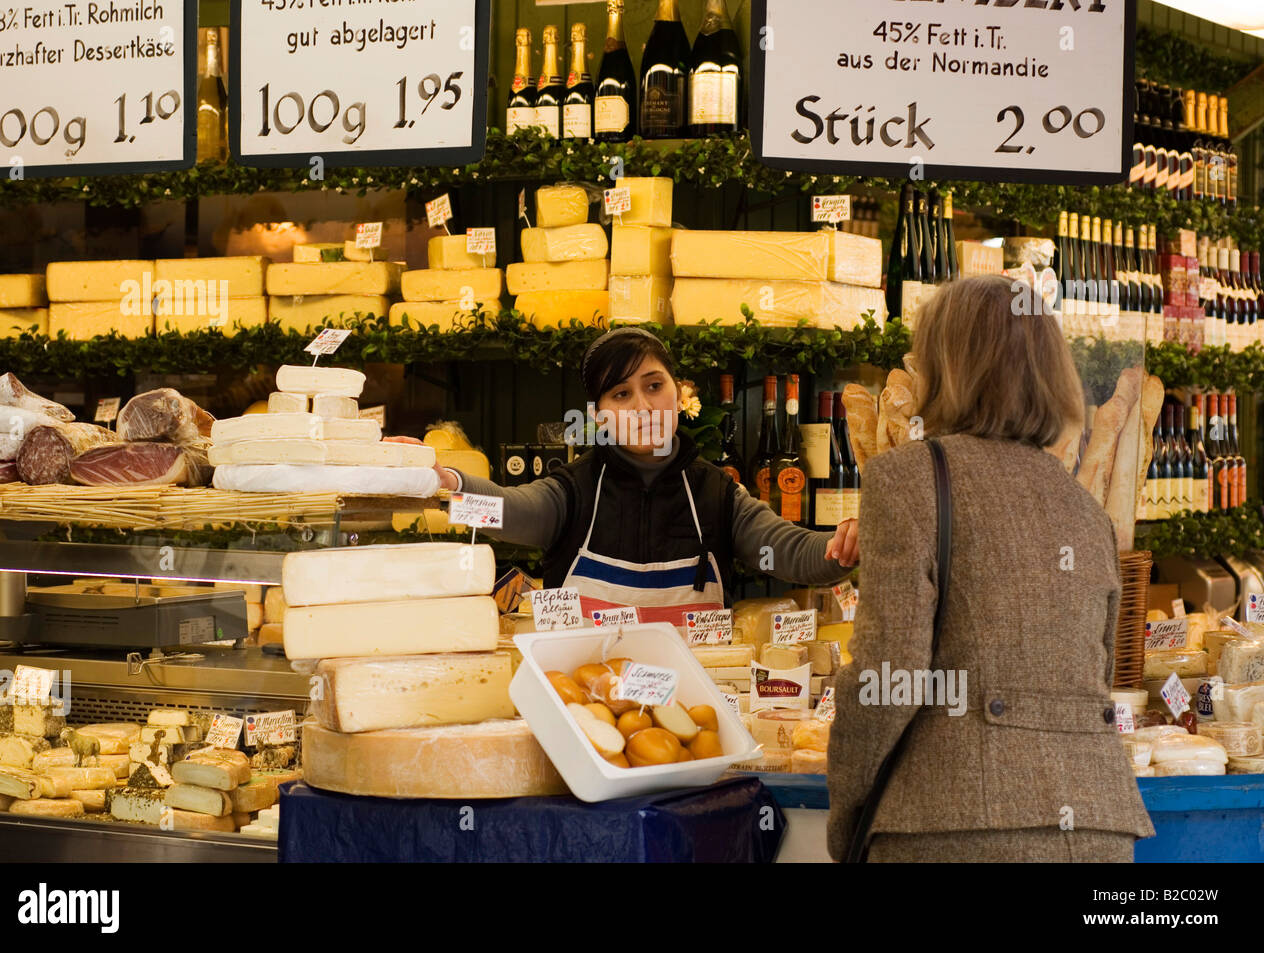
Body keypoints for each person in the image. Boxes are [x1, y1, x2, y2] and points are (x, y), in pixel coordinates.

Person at [826, 275, 1154, 863]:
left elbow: (886, 678)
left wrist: (850, 815)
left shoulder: (906, 479)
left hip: (953, 828)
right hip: (1098, 829)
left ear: (945, 366)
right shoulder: (1085, 509)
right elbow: (1092, 677)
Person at [431, 327, 858, 623]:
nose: (643, 406)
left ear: (679, 392)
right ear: (599, 416)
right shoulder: (573, 492)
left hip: (697, 716)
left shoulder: (718, 495)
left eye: (654, 386)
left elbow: (790, 550)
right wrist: (450, 484)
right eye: (621, 394)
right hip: (586, 708)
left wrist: (847, 544)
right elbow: (509, 510)